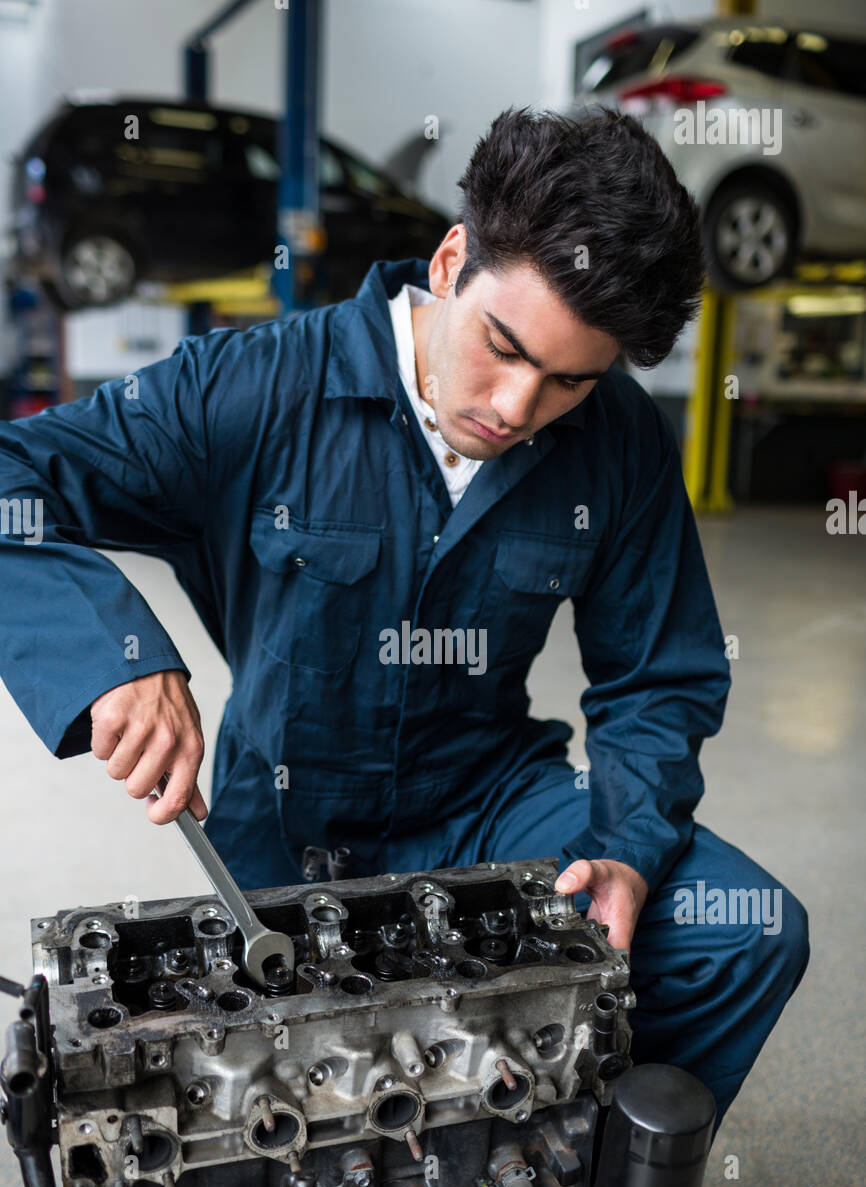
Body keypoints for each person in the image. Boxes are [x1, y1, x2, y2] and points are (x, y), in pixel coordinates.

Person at [0, 107, 808, 1128]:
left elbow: (657, 676)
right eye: (503, 347)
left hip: (488, 803)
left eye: (568, 379)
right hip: (288, 827)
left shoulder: (618, 443)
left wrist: (626, 847)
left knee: (750, 932)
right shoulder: (253, 391)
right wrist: (114, 651)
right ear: (450, 258)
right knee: (281, 1103)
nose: (518, 407)